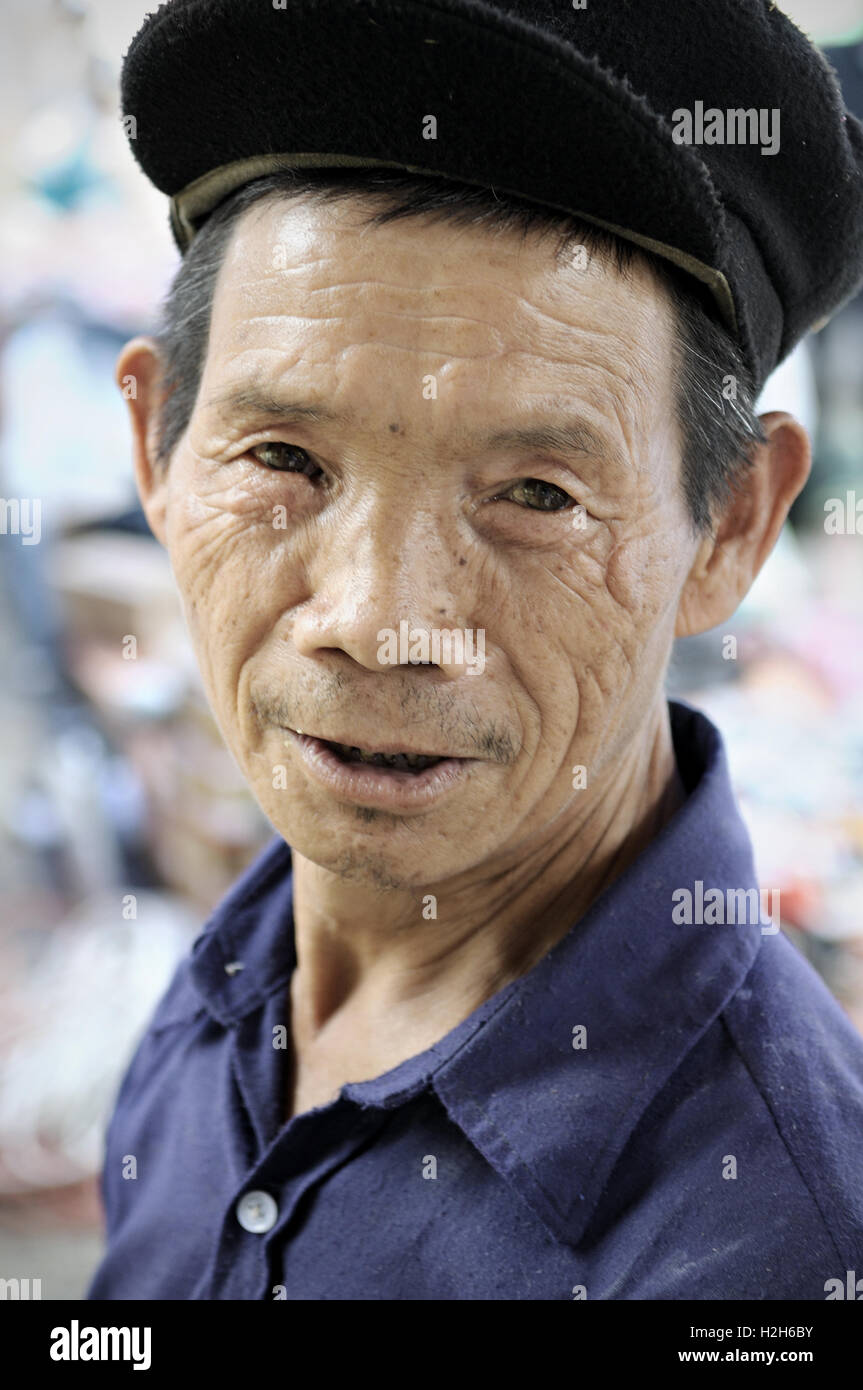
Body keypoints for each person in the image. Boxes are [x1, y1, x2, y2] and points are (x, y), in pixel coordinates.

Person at [87, 0, 863, 1300]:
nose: (379, 620)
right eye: (284, 458)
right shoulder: (236, 978)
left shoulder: (773, 1253)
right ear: (157, 445)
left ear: (729, 527)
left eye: (538, 495)